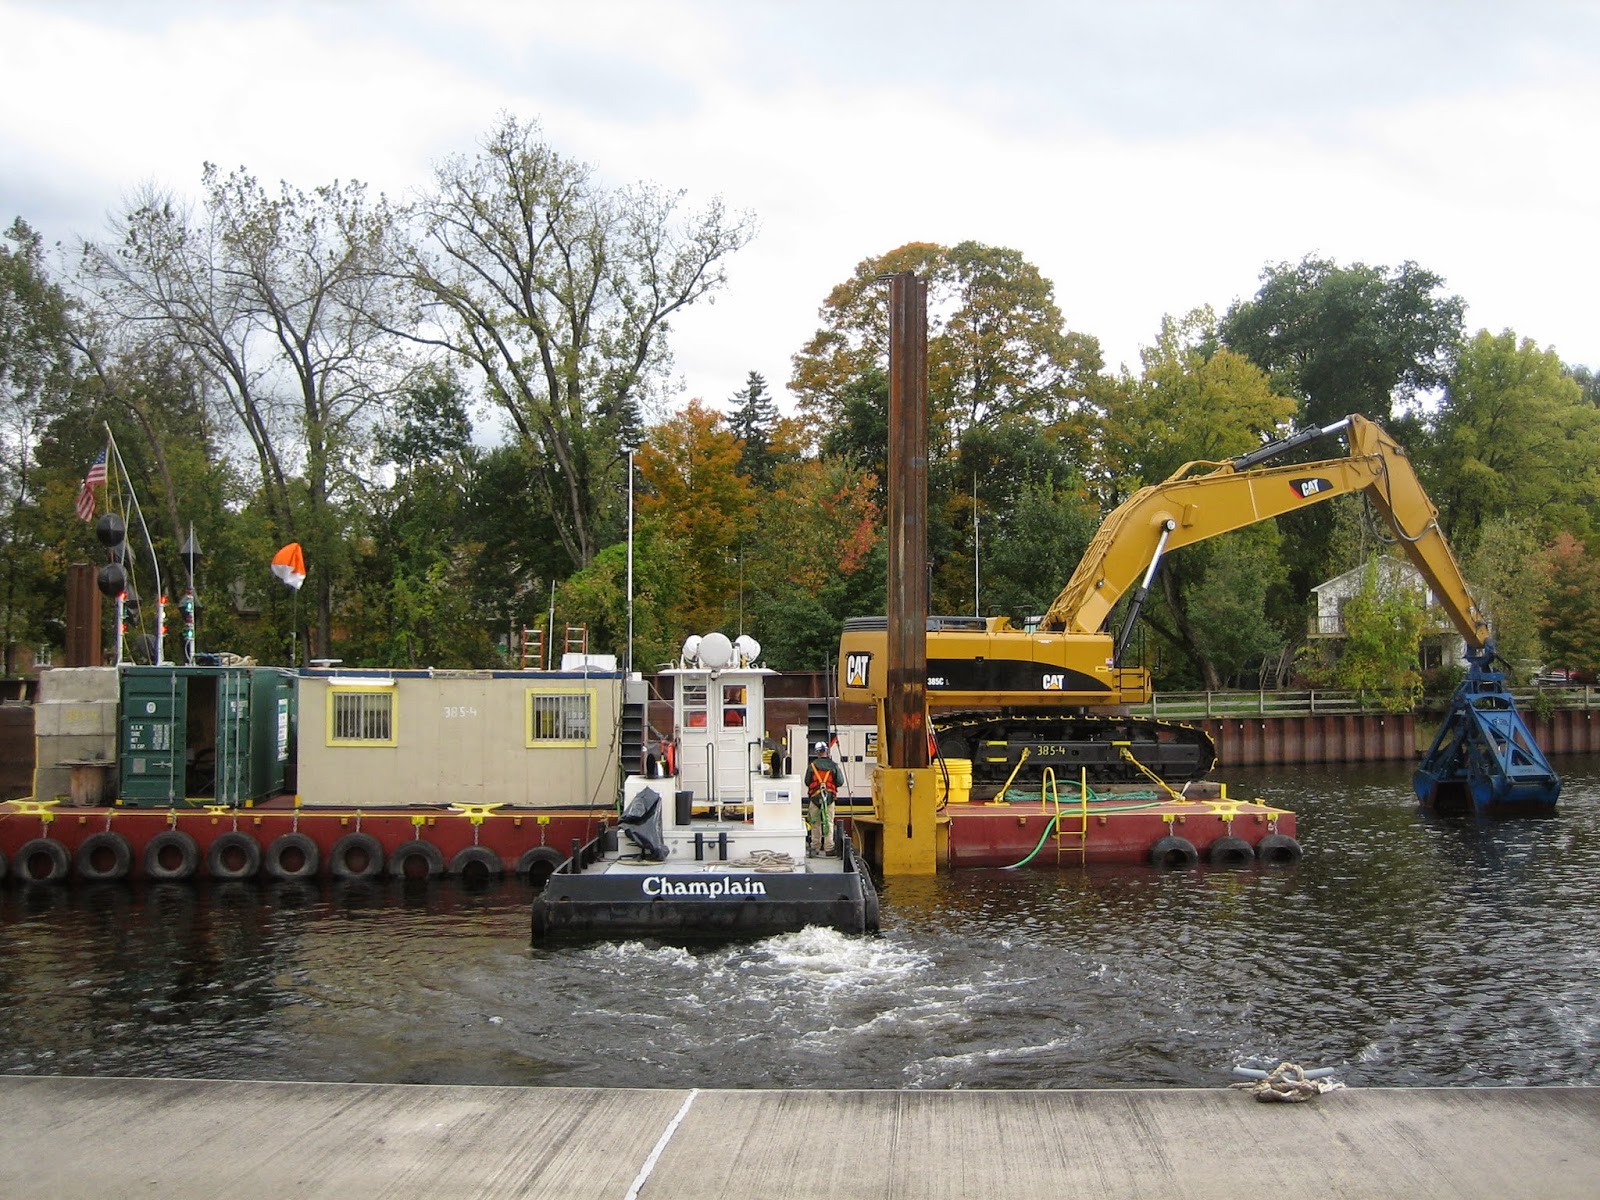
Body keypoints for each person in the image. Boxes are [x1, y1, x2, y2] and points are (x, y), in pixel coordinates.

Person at [805, 740, 844, 855]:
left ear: (817, 753)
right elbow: (840, 781)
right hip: (829, 798)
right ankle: (828, 848)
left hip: (815, 798)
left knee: (815, 823)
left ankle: (815, 847)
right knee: (829, 822)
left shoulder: (812, 766)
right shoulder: (834, 766)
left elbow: (807, 781)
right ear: (826, 751)